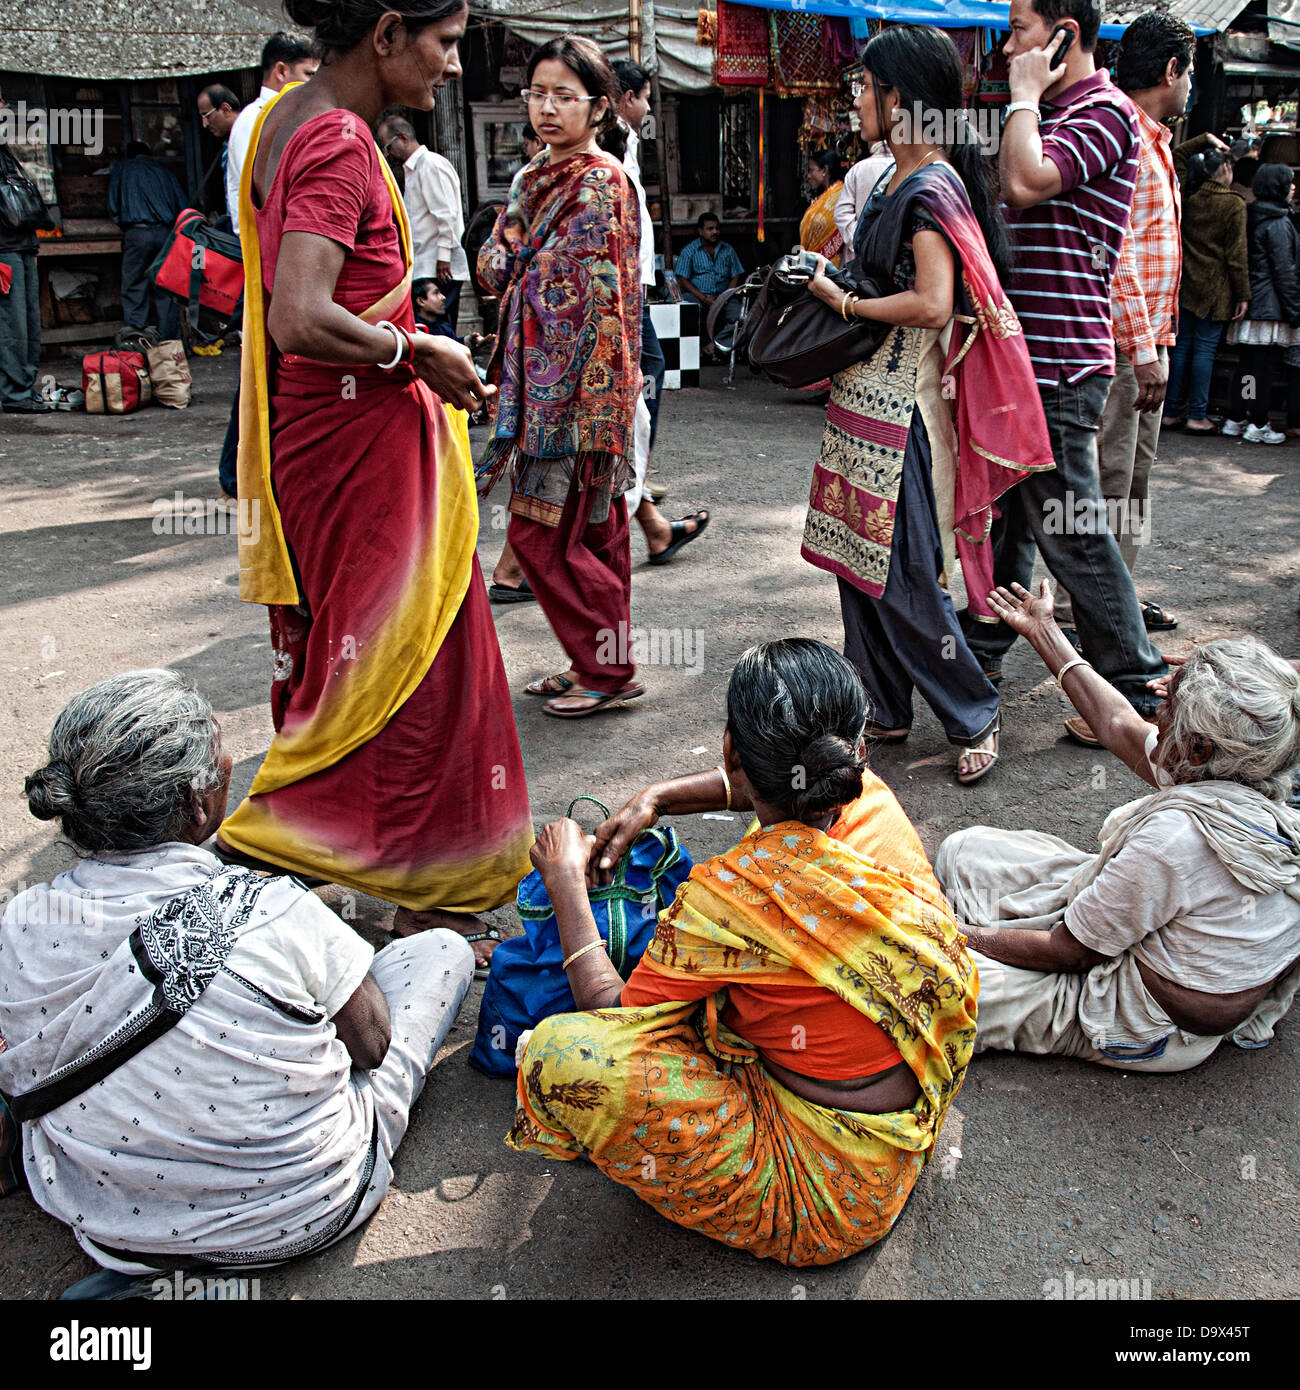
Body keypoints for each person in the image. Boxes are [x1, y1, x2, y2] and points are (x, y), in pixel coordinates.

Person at [215, 0, 533, 970]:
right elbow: (301, 314)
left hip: (330, 445)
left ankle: (380, 879)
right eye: (442, 44)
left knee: (380, 658)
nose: (449, 65)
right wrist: (416, 351)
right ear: (387, 32)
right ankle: (302, 858)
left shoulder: (278, 115)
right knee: (410, 663)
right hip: (360, 445)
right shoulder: (340, 143)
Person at [508, 639, 978, 1266]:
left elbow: (611, 1006)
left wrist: (565, 883)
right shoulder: (868, 801)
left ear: (729, 750)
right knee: (763, 872)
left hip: (826, 1198)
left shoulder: (726, 901)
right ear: (855, 754)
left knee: (559, 1054)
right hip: (905, 1125)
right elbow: (775, 797)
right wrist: (659, 797)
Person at [0, 670, 476, 1277]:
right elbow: (373, 1045)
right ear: (199, 804)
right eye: (224, 768)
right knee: (440, 953)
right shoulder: (270, 904)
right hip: (306, 1211)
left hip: (111, 1228)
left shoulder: (22, 920)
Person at [802, 26, 1053, 785]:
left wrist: (841, 302)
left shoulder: (927, 188)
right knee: (858, 563)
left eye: (862, 87)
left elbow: (934, 304)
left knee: (905, 570)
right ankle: (882, 706)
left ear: (899, 98)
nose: (854, 100)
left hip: (903, 410)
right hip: (862, 405)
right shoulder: (886, 179)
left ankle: (974, 709)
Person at [937, 581, 1300, 1074]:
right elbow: (1118, 723)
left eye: (1170, 705)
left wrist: (956, 935)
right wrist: (1043, 630)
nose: (1156, 706)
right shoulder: (1254, 769)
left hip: (1144, 1018)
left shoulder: (1177, 836)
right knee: (966, 851)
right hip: (1154, 935)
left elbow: (1069, 952)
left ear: (1199, 751)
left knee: (922, 981)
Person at [958, 0, 1168, 747]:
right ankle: (979, 652)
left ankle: (1136, 683)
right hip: (1025, 360)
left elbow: (1024, 184)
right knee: (1013, 519)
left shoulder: (1101, 111)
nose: (1006, 43)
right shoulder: (1053, 112)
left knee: (1068, 527)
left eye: (1018, 28)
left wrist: (1019, 95)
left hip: (1058, 363)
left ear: (1065, 36)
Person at [476, 36, 645, 719]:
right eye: (537, 93)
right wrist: (511, 257)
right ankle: (597, 659)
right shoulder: (531, 178)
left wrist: (514, 258)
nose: (547, 108)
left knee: (542, 535)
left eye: (563, 96)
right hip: (538, 386)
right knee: (592, 533)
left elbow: (581, 289)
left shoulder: (601, 183)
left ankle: (607, 669)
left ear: (598, 107)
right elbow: (495, 263)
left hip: (582, 391)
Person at [1054, 14, 1200, 639]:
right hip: (1121, 343)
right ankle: (1096, 616)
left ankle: (1115, 603)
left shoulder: (1151, 135)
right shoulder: (1124, 134)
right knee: (1112, 480)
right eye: (1189, 71)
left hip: (1145, 340)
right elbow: (1122, 260)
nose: (1190, 84)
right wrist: (1145, 350)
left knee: (1131, 482)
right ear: (1171, 71)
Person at [1163, 145, 1249, 435]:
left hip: (1186, 285)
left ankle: (1171, 412)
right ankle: (1197, 415)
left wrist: (1205, 138)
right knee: (1205, 351)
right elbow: (1236, 255)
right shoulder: (1233, 204)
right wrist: (1243, 294)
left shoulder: (1189, 198)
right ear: (1224, 169)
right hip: (1216, 290)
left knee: (1182, 347)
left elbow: (1179, 156)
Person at [1221, 163, 1300, 444]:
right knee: (1262, 369)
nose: (1293, 188)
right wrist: (1295, 310)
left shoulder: (1250, 214)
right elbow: (1285, 271)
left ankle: (1238, 415)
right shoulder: (1279, 222)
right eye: (1289, 182)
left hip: (1250, 302)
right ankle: (1258, 421)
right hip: (1270, 306)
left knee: (1247, 366)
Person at [376, 115, 469, 332]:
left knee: (439, 327)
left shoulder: (430, 165)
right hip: (425, 263)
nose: (389, 154)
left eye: (389, 146)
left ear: (403, 138)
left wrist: (443, 257)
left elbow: (446, 214)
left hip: (438, 265)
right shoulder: (415, 170)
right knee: (428, 327)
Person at [226, 33, 318, 239]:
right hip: (268, 247)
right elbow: (265, 198)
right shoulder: (254, 119)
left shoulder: (285, 116)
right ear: (282, 71)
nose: (315, 86)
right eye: (309, 75)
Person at [0, 83, 51, 414]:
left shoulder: (7, 147)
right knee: (12, 323)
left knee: (30, 321)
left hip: (23, 242)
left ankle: (24, 386)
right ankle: (14, 392)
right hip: (3, 248)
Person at [106, 140, 185, 343]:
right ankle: (171, 345)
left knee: (134, 287)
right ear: (151, 155)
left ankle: (137, 343)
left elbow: (113, 207)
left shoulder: (121, 170)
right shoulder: (164, 171)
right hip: (166, 234)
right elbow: (182, 207)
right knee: (166, 290)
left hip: (136, 234)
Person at [673, 210, 744, 358]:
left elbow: (736, 274)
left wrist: (725, 296)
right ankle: (694, 352)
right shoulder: (690, 251)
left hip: (723, 297)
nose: (715, 232)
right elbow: (683, 280)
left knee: (741, 316)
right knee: (685, 311)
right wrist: (704, 298)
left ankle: (714, 346)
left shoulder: (727, 250)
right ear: (700, 231)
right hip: (698, 297)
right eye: (710, 229)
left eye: (717, 228)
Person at [833, 139, 892, 252]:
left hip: (862, 254)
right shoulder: (913, 168)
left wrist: (859, 241)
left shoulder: (859, 169)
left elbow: (842, 213)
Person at [800, 148, 846, 264]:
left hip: (832, 265)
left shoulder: (840, 195)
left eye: (811, 170)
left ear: (824, 170)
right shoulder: (824, 197)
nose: (809, 176)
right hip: (815, 263)